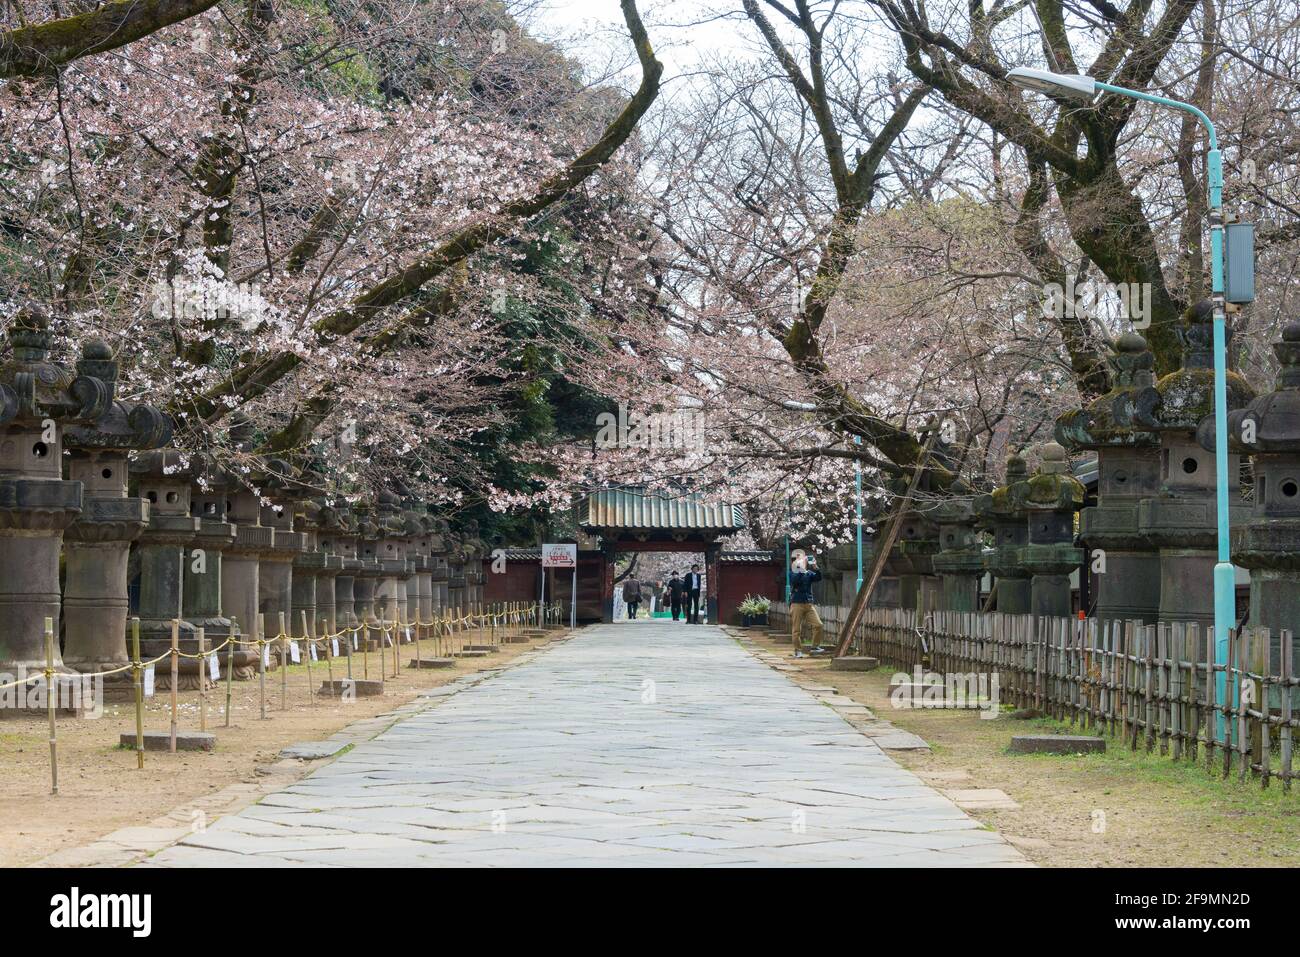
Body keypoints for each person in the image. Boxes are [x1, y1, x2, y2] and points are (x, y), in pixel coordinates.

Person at [788, 550, 823, 658]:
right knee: (796, 629)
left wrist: (815, 567)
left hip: (808, 603)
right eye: (799, 558)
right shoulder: (792, 572)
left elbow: (818, 578)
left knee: (818, 625)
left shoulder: (808, 572)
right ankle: (798, 650)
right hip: (796, 603)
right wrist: (801, 568)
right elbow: (795, 581)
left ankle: (815, 646)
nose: (803, 560)